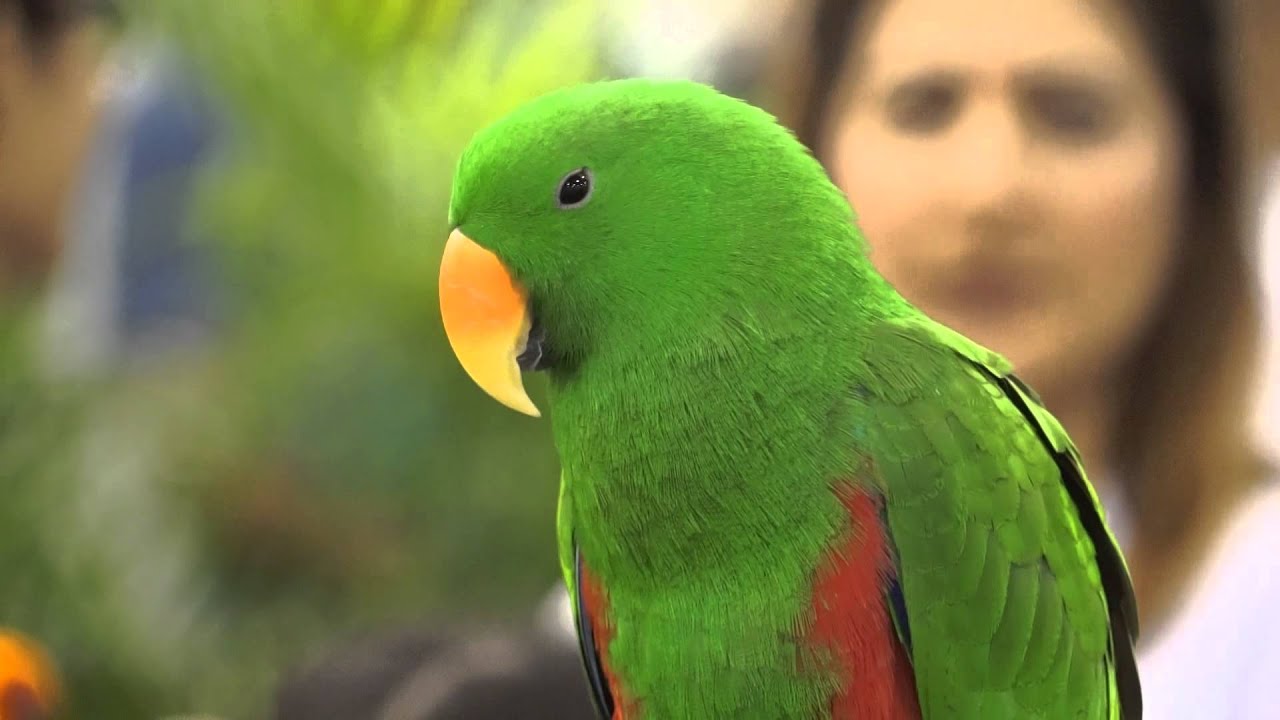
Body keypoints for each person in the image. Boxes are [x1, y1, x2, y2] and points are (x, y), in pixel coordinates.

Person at [752, 0, 1278, 716]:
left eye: (1072, 114)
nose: (991, 190)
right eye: (923, 107)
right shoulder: (645, 609)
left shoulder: (1259, 599)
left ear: (1200, 176)